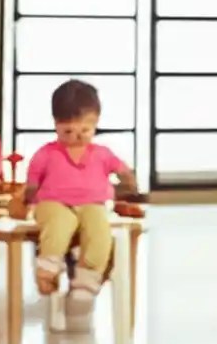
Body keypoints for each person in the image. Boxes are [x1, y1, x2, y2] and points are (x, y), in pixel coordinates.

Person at [26, 80, 139, 317]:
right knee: (58, 224)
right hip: (53, 202)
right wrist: (29, 197)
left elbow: (123, 171)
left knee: (100, 233)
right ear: (56, 124)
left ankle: (86, 282)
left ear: (96, 124)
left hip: (92, 205)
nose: (76, 137)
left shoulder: (102, 154)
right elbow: (33, 180)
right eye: (68, 131)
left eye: (84, 131)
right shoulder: (47, 153)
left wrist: (128, 181)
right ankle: (47, 268)